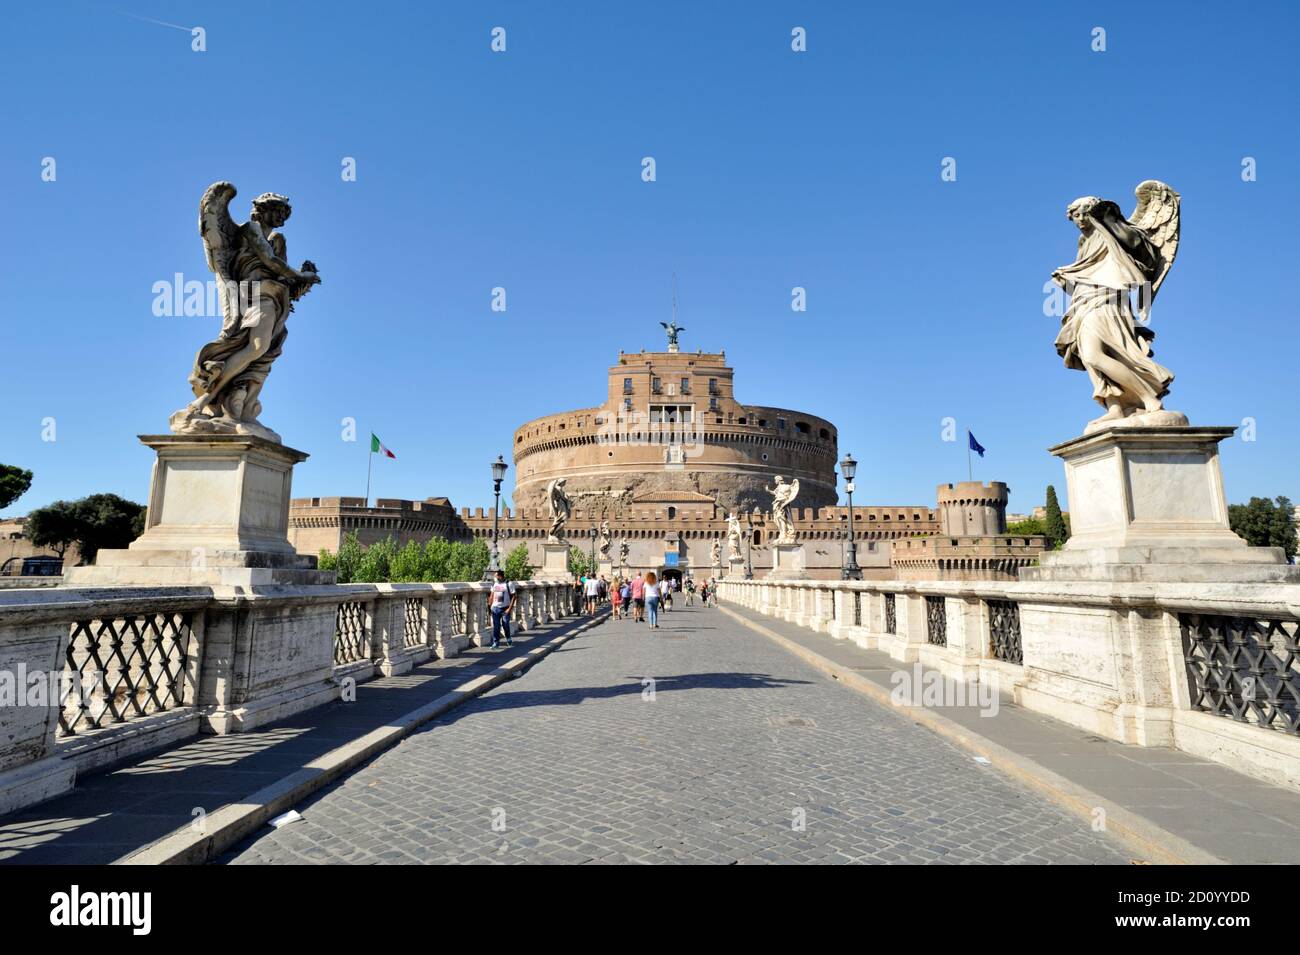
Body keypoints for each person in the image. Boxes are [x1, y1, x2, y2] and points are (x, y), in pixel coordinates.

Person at [488, 570, 516, 649]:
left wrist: (509, 609)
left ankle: (508, 638)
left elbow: (514, 596)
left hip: (505, 608)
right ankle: (495, 643)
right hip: (495, 608)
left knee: (505, 624)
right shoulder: (494, 584)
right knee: (496, 626)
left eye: (496, 576)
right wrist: (490, 606)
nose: (495, 578)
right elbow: (491, 595)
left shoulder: (509, 584)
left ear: (500, 576)